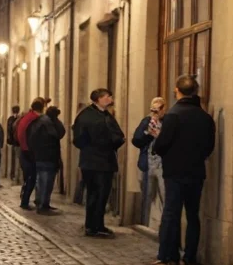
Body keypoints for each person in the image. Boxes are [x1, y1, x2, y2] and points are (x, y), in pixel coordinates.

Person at [150, 75, 216, 265]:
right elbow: (209, 146)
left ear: (176, 91)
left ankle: (168, 256)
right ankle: (190, 256)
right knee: (193, 214)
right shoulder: (205, 117)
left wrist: (161, 147)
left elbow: (161, 144)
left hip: (175, 171)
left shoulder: (174, 115)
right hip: (196, 170)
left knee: (171, 213)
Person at [72, 88, 125, 237]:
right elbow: (79, 139)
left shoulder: (104, 114)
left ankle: (97, 224)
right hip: (95, 161)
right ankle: (93, 226)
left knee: (100, 194)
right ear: (99, 99)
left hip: (101, 160)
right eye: (107, 97)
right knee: (96, 194)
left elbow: (117, 134)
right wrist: (95, 146)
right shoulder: (88, 116)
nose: (110, 99)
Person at [132, 97, 167, 227]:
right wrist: (148, 132)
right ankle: (146, 223)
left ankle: (162, 226)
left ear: (163, 109)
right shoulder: (146, 121)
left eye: (158, 109)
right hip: (148, 162)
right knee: (147, 194)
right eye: (153, 109)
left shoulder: (168, 122)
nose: (156, 112)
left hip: (163, 164)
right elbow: (136, 140)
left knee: (164, 195)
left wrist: (159, 135)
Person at [29, 105, 66, 214]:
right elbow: (60, 133)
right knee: (46, 182)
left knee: (41, 181)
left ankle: (40, 202)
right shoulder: (48, 123)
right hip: (48, 157)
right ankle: (43, 206)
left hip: (40, 156)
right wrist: (56, 120)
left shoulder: (40, 121)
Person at [16, 98, 45, 210]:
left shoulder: (26, 117)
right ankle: (25, 201)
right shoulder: (35, 119)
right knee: (31, 178)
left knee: (29, 177)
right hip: (29, 151)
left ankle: (24, 199)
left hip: (24, 149)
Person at [7, 106, 22, 184]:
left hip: (13, 142)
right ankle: (16, 177)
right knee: (18, 160)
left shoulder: (10, 119)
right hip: (18, 142)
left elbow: (9, 130)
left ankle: (13, 176)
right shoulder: (20, 119)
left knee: (14, 160)